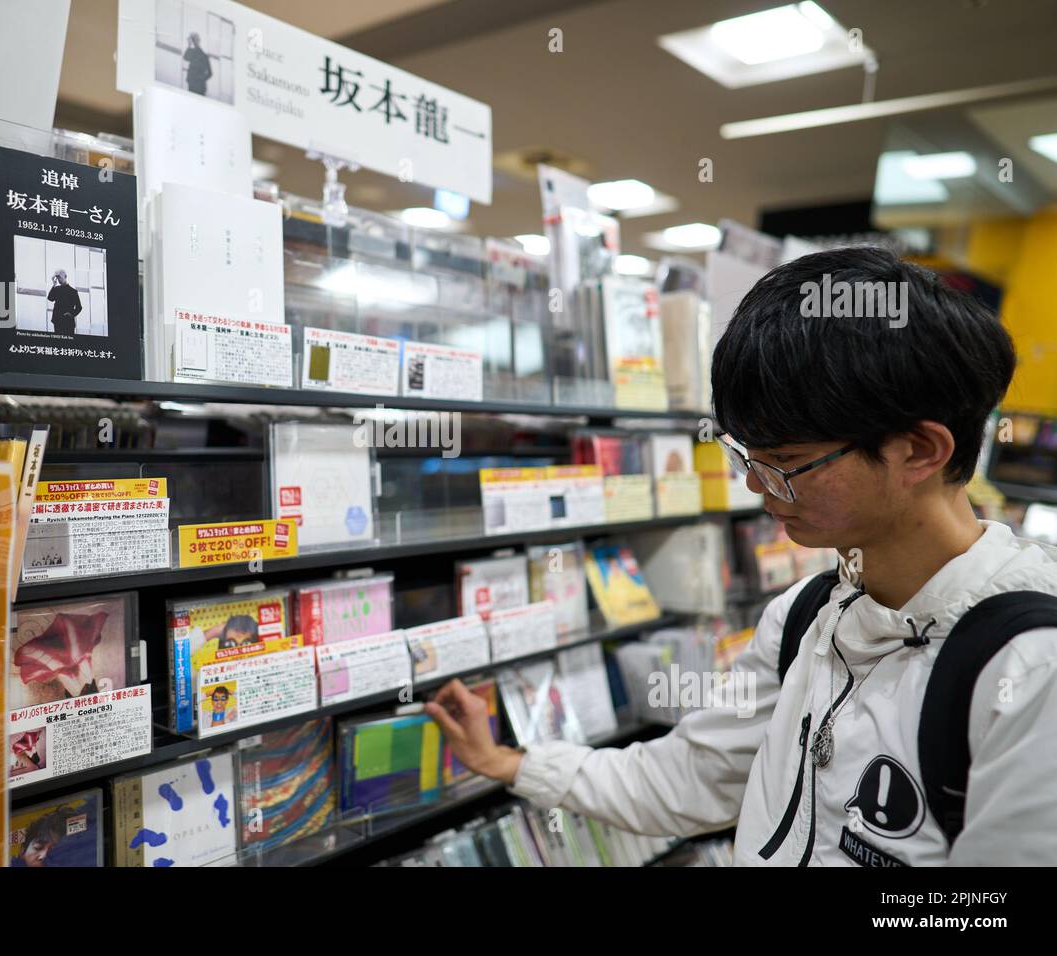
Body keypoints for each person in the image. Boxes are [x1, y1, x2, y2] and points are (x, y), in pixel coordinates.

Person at [427, 246, 1057, 866]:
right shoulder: (804, 617)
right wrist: (511, 762)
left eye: (784, 463)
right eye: (747, 457)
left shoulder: (1032, 669)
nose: (757, 486)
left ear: (920, 451)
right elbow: (688, 778)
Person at [46, 269, 81, 335]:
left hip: (68, 322)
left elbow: (79, 307)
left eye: (60, 277)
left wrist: (71, 314)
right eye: (58, 277)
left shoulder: (73, 291)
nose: (59, 279)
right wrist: (54, 284)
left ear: (65, 276)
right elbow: (50, 298)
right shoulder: (56, 289)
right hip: (57, 321)